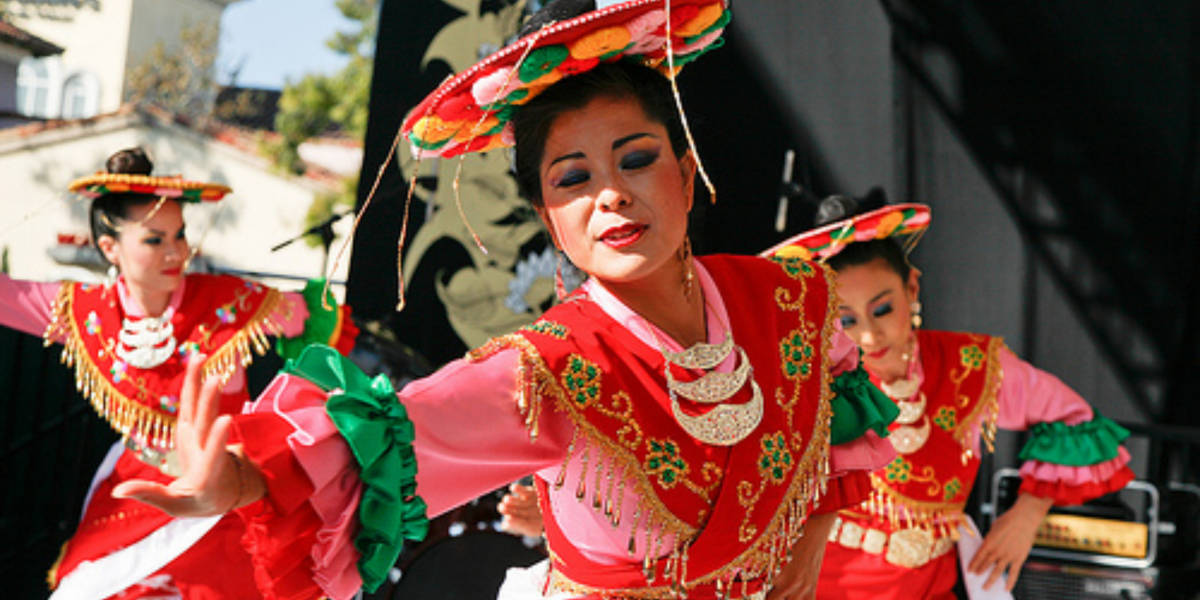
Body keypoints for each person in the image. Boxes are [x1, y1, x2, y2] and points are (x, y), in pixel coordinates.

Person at [113, 1, 901, 599]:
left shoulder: (790, 297)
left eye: (637, 159)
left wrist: (815, 531)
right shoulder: (544, 373)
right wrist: (250, 480)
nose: (612, 197)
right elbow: (386, 440)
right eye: (573, 179)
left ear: (687, 175)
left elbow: (841, 398)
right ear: (549, 219)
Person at [0, 147, 356, 599]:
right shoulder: (86, 312)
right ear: (109, 247)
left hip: (223, 490)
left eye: (180, 235)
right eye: (154, 239)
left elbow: (318, 322)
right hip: (140, 484)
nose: (176, 252)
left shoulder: (229, 302)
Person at [765, 196, 1135, 599]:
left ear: (911, 288)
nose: (870, 336)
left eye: (883, 309)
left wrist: (1028, 513)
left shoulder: (969, 366)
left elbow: (1078, 422)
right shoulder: (808, 381)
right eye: (846, 319)